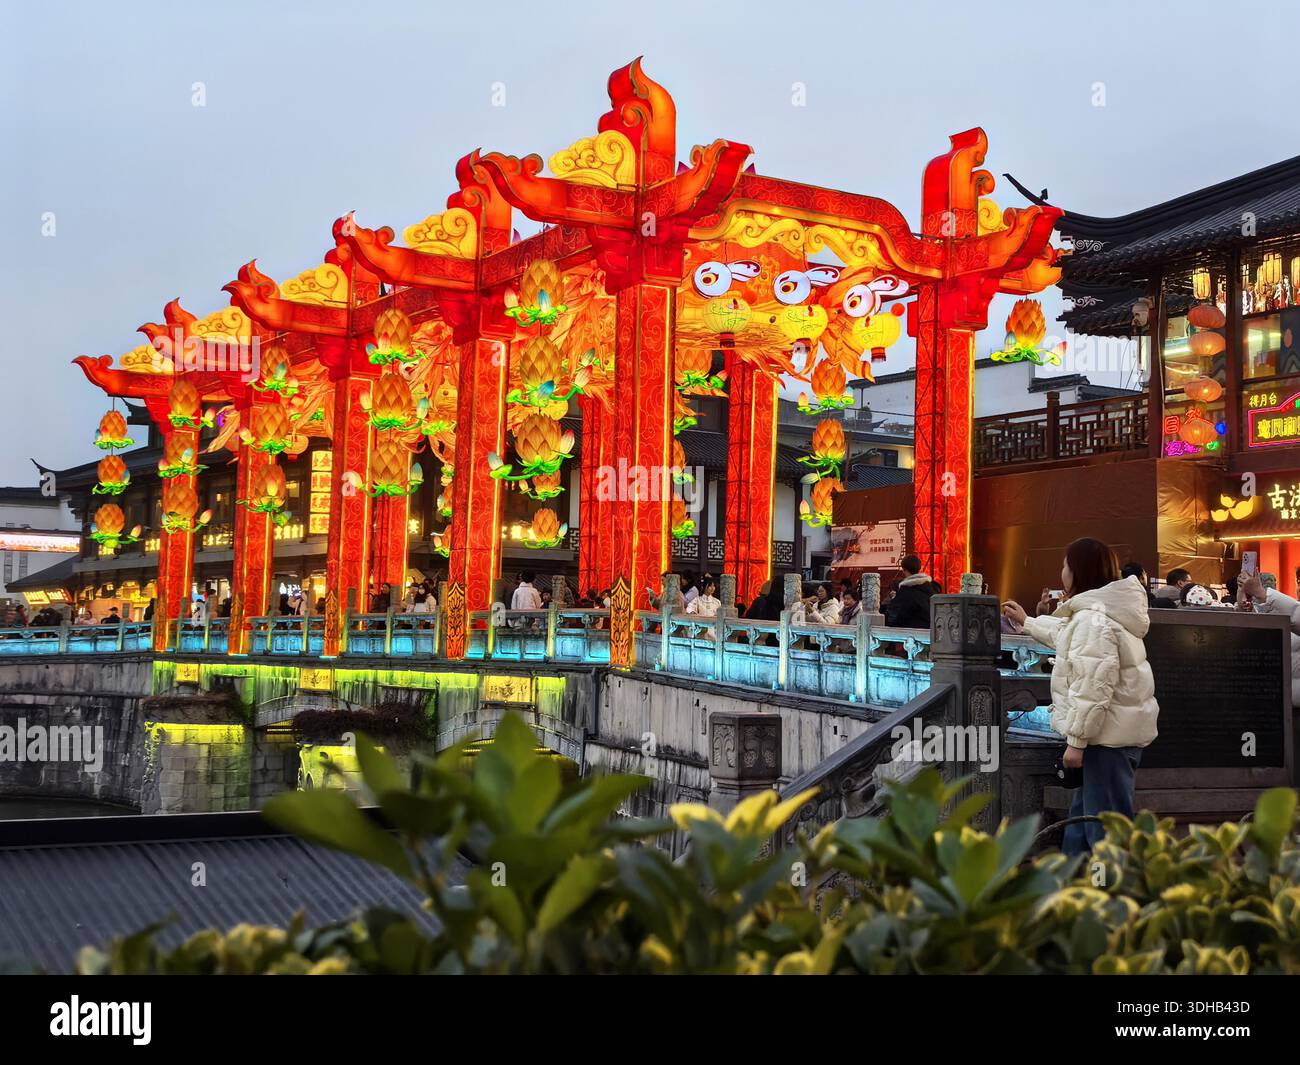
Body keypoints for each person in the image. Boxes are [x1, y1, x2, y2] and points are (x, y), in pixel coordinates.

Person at [1002, 537, 1159, 856]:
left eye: (1065, 565)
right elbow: (1069, 638)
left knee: (1103, 831)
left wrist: (1076, 742)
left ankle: (1112, 895)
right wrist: (1028, 622)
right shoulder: (1102, 612)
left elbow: (1093, 687)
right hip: (1111, 739)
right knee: (1082, 826)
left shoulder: (1093, 618)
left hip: (1105, 743)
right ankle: (1079, 893)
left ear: (1078, 570)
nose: (1062, 571)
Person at [1240, 572, 1300, 706]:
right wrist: (1249, 608)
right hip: (1283, 702)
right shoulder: (1290, 610)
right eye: (1299, 582)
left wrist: (1263, 594)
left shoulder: (1292, 611)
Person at [883, 555, 937, 629]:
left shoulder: (906, 592)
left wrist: (892, 601)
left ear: (904, 570)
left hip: (913, 635)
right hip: (932, 633)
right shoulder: (932, 588)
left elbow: (893, 619)